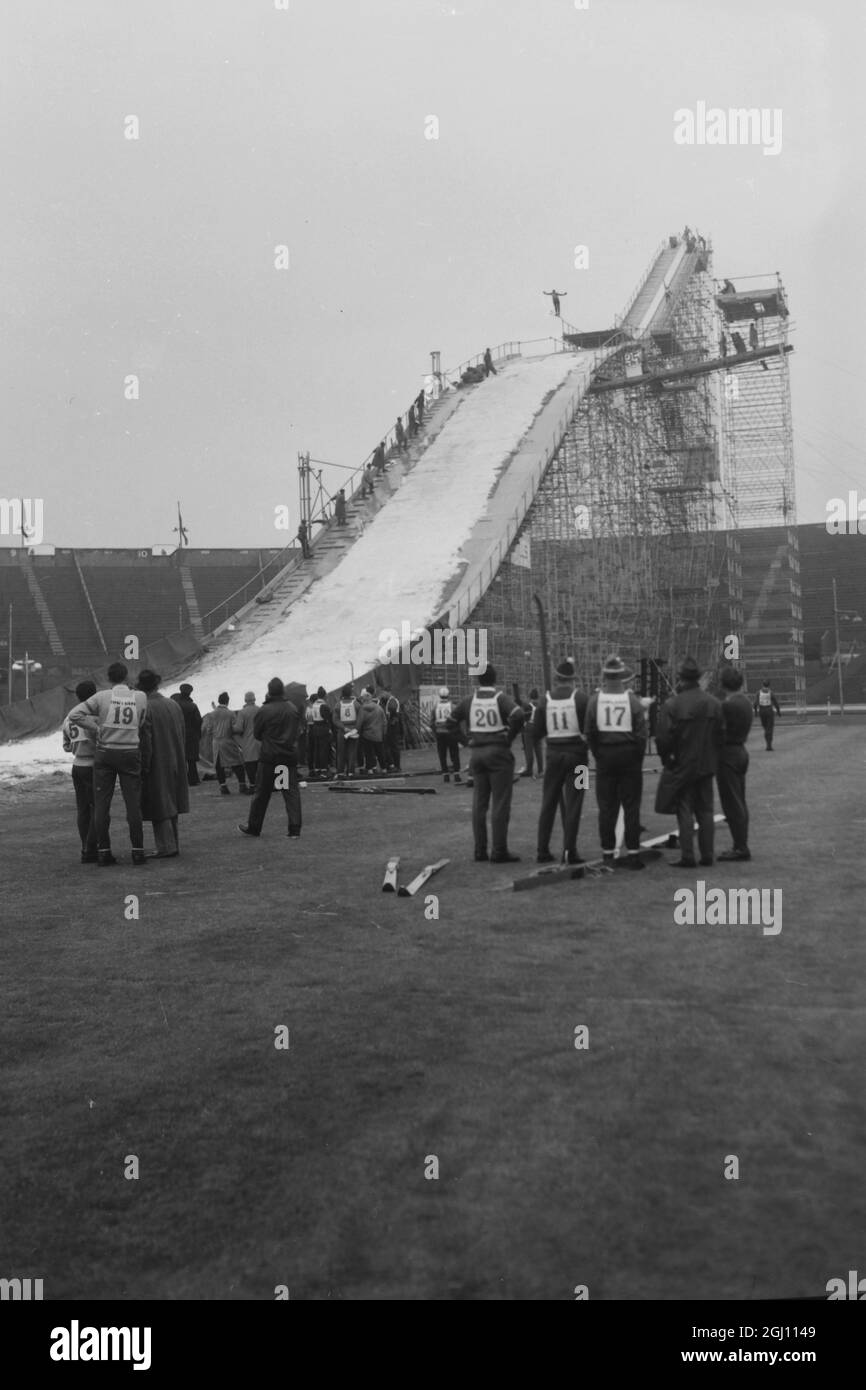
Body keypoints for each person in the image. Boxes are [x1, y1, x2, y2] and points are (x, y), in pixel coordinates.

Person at [66, 660, 151, 866]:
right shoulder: (140, 697)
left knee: (102, 804)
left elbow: (75, 714)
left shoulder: (102, 697)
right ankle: (138, 851)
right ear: (126, 676)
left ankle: (103, 852)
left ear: (108, 678)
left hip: (105, 753)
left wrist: (97, 729)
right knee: (133, 804)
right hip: (130, 752)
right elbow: (141, 722)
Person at [448, 665, 524, 863]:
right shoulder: (500, 698)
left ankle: (480, 850)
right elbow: (518, 715)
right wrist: (509, 737)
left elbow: (450, 722)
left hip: (477, 753)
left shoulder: (469, 700)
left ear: (478, 680)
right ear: (494, 678)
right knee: (500, 802)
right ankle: (499, 850)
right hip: (498, 752)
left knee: (479, 803)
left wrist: (466, 741)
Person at [655, 657, 724, 869]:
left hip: (682, 764)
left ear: (681, 679)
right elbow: (721, 735)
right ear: (699, 678)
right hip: (706, 765)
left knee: (684, 811)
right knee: (706, 811)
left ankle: (688, 856)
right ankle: (707, 855)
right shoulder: (714, 703)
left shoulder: (672, 705)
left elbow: (663, 738)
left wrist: (667, 759)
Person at [584, 655, 648, 871]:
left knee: (606, 807)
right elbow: (641, 734)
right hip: (629, 755)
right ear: (621, 675)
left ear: (604, 676)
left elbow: (589, 732)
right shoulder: (632, 701)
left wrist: (598, 754)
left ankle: (608, 853)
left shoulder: (595, 700)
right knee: (631, 806)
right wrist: (636, 757)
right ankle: (633, 853)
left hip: (604, 755)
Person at [533, 659, 589, 865]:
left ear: (556, 679)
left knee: (548, 801)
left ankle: (542, 849)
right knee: (576, 802)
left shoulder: (545, 699)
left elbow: (537, 732)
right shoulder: (581, 698)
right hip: (579, 757)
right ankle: (570, 850)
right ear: (573, 679)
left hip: (554, 755)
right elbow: (590, 727)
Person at [238, 677, 303, 838]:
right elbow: (297, 732)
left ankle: (254, 827)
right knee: (289, 793)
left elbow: (257, 734)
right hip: (286, 757)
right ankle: (294, 829)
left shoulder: (264, 710)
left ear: (269, 691)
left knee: (261, 793)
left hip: (269, 757)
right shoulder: (291, 708)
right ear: (283, 690)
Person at [136, 669, 188, 858]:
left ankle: (166, 846)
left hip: (157, 761)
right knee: (171, 801)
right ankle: (173, 843)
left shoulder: (146, 707)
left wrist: (143, 766)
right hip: (176, 758)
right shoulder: (173, 704)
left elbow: (146, 741)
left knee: (160, 804)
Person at [61, 678, 104, 863]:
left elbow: (66, 746)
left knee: (83, 809)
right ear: (94, 695)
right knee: (98, 808)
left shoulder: (69, 718)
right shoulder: (96, 717)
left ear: (77, 697)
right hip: (93, 766)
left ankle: (84, 846)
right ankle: (91, 848)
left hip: (77, 765)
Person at [716, 667, 753, 861]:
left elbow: (718, 730)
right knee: (740, 801)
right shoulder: (745, 701)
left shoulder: (727, 706)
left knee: (732, 803)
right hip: (740, 751)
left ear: (723, 684)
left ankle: (740, 847)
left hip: (728, 754)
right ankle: (740, 844)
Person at [211, 693, 249, 794]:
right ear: (227, 701)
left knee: (219, 765)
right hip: (227, 741)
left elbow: (208, 728)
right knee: (237, 763)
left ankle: (223, 787)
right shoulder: (230, 713)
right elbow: (235, 728)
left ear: (219, 700)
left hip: (216, 743)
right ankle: (242, 785)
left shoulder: (212, 713)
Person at [170, 683, 203, 785]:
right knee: (191, 759)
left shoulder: (174, 704)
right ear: (190, 693)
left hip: (177, 733)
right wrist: (198, 734)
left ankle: (180, 780)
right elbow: (198, 721)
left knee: (180, 758)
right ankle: (193, 779)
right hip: (191, 735)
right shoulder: (192, 706)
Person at [431, 686, 461, 783]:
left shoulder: (435, 707)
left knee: (442, 754)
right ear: (448, 695)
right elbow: (457, 721)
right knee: (454, 753)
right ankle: (456, 774)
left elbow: (432, 722)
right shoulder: (453, 707)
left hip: (440, 734)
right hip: (451, 734)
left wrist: (435, 732)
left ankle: (445, 775)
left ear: (439, 695)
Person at [357, 687, 388, 775]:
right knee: (380, 752)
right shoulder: (379, 708)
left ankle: (370, 769)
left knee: (368, 753)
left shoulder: (362, 709)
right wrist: (384, 733)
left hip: (367, 735)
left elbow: (359, 722)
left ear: (364, 699)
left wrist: (357, 731)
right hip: (378, 734)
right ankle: (384, 768)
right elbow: (384, 722)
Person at [233, 691, 261, 787]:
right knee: (260, 764)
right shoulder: (260, 710)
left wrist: (231, 727)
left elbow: (239, 728)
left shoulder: (242, 712)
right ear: (254, 699)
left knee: (250, 765)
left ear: (245, 700)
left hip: (248, 742)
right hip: (260, 741)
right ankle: (262, 784)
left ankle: (253, 785)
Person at [334, 683, 362, 779]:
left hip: (342, 731)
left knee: (341, 752)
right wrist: (356, 729)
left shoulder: (338, 705)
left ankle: (340, 772)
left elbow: (335, 719)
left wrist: (343, 727)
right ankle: (351, 772)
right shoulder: (356, 704)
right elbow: (360, 718)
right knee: (352, 751)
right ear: (351, 693)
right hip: (353, 729)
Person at [305, 687, 333, 778]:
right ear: (324, 695)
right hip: (323, 727)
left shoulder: (313, 705)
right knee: (323, 749)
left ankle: (317, 768)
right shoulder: (324, 706)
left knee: (317, 749)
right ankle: (324, 769)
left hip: (315, 727)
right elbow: (328, 719)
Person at [519, 688, 544, 778]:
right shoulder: (540, 705)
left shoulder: (528, 706)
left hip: (529, 726)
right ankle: (540, 770)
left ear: (530, 696)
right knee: (538, 749)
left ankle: (529, 769)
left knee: (529, 749)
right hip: (538, 727)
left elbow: (523, 717)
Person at [754, 679, 781, 750]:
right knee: (769, 728)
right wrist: (778, 711)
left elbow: (755, 704)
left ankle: (768, 743)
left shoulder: (758, 692)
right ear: (769, 685)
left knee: (765, 728)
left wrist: (756, 712)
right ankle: (769, 745)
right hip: (769, 711)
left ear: (762, 685)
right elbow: (775, 702)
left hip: (762, 711)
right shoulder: (770, 692)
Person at [380, 687, 402, 771]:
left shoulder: (392, 701)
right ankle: (393, 765)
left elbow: (395, 716)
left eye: (384, 693)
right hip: (391, 727)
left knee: (394, 746)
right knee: (390, 746)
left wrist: (389, 725)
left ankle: (397, 766)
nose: (382, 695)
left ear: (388, 692)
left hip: (392, 728)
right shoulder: (389, 701)